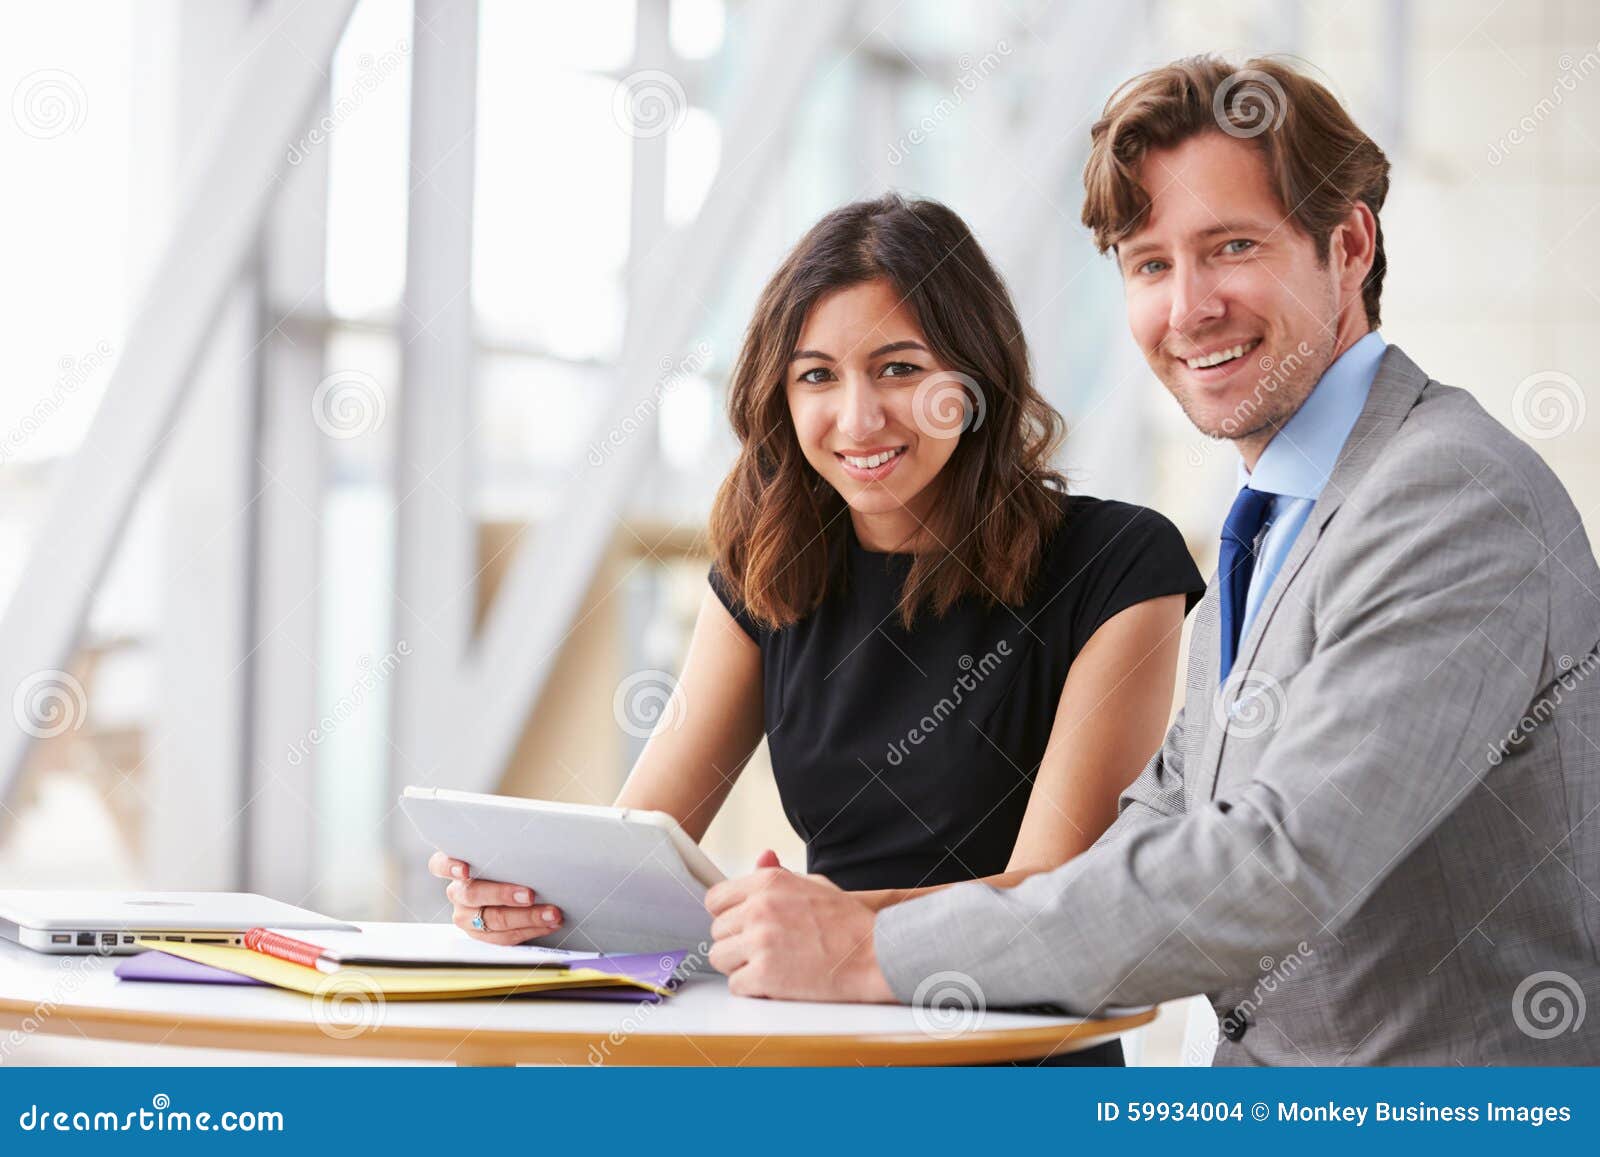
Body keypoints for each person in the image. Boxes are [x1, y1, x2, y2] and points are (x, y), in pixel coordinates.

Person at [703, 55, 1600, 1066]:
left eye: (1230, 246)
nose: (1188, 309)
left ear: (1347, 246)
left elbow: (1277, 865)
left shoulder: (1448, 496)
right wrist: (817, 922)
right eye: (1149, 264)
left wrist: (870, 947)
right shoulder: (1275, 511)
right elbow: (1156, 837)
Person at [429, 194, 1206, 1065]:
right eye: (817, 376)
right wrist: (540, 898)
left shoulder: (1117, 563)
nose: (858, 418)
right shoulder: (772, 570)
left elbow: (1057, 902)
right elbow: (641, 846)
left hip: (1008, 1061)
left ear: (975, 380)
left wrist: (826, 926)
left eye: (901, 368)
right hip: (821, 1043)